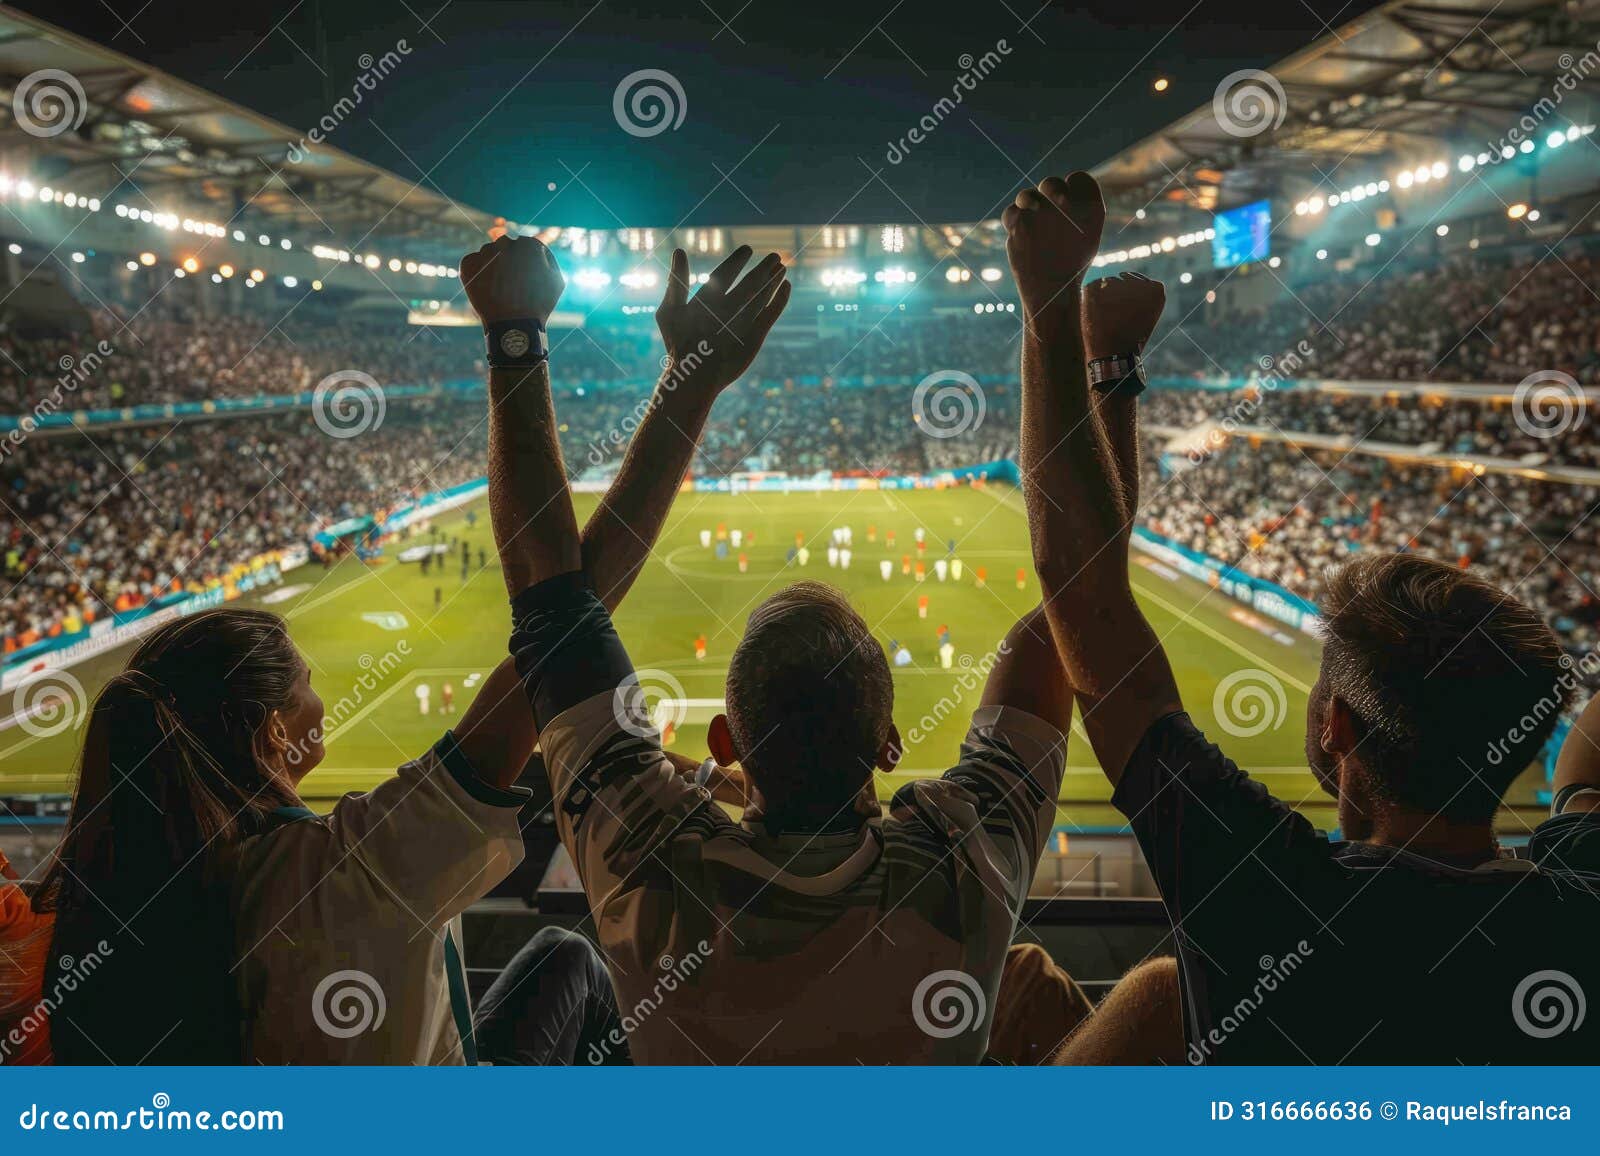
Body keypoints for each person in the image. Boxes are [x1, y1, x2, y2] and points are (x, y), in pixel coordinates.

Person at [1006, 168, 1596, 1063]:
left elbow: (1078, 582)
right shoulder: (1576, 900)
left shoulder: (1272, 890)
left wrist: (1063, 318)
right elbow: (1083, 584)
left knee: (1147, 993)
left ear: (1337, 729)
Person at [468, 234, 1073, 1063]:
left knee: (563, 961)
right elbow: (1083, 596)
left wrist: (523, 332)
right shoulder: (966, 867)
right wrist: (1062, 321)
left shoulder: (650, 863)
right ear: (890, 747)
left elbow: (550, 597)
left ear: (727, 738)